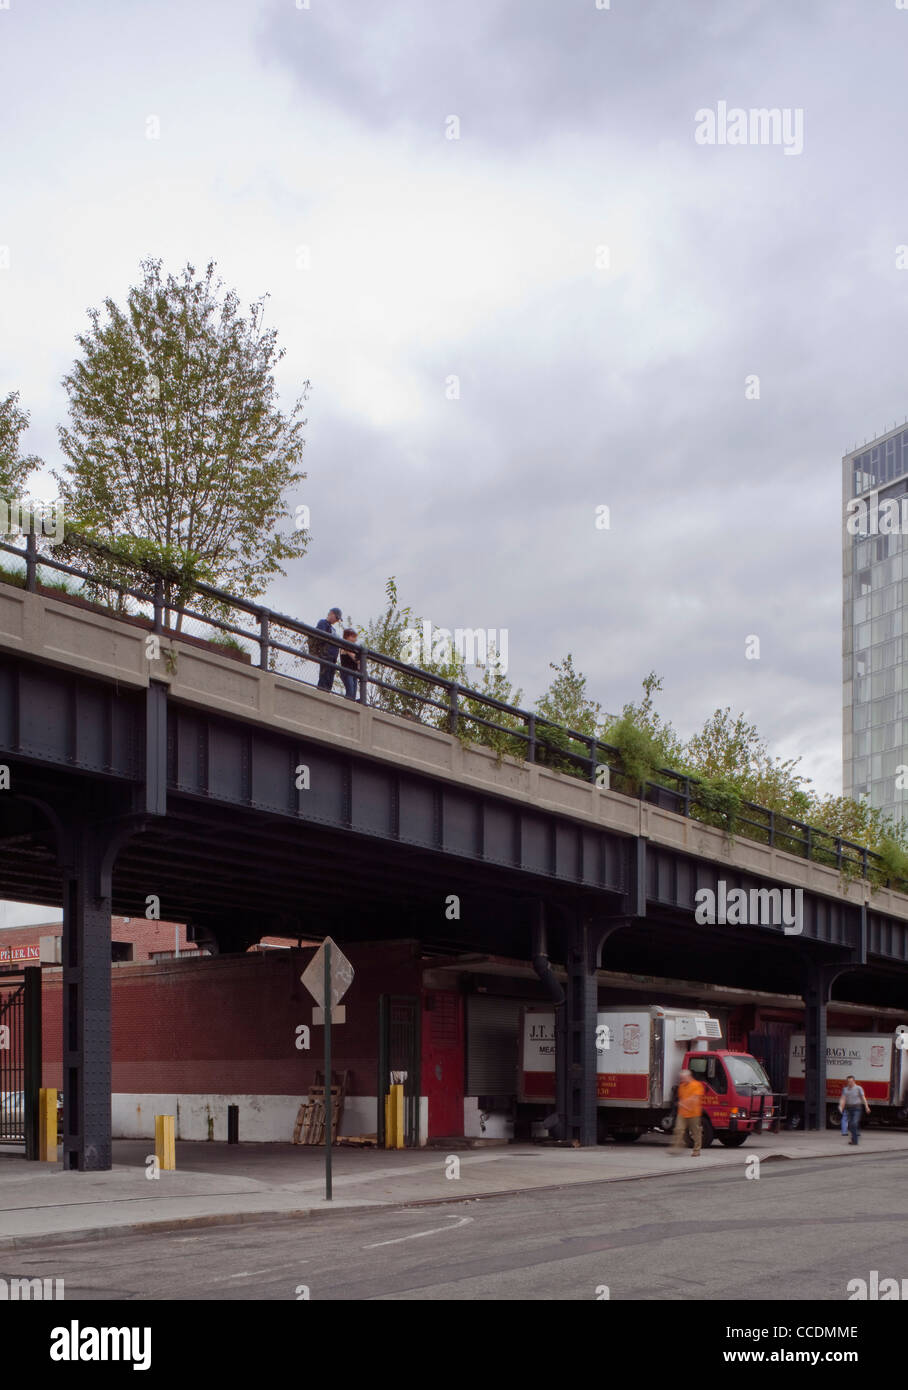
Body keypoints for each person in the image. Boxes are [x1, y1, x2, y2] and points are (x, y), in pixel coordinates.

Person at [669, 1067, 706, 1157]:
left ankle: (696, 1150)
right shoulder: (681, 1086)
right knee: (678, 1129)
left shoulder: (697, 1085)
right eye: (681, 1078)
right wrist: (681, 1104)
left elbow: (695, 1099)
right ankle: (675, 1147)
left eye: (683, 1078)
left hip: (694, 1113)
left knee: (695, 1132)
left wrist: (683, 1103)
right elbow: (681, 1098)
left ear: (689, 1076)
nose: (681, 1079)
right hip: (682, 1113)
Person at [312, 607, 343, 691]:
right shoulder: (323, 623)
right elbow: (321, 637)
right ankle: (321, 692)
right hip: (326, 654)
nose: (336, 621)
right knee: (324, 677)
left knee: (329, 678)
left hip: (333, 657)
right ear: (331, 614)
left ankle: (326, 692)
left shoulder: (333, 629)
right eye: (336, 618)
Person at [839, 1074, 870, 1146]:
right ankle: (854, 1140)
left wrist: (867, 1107)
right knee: (850, 1125)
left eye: (851, 1081)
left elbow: (863, 1098)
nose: (849, 1083)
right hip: (849, 1108)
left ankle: (855, 1140)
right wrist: (841, 1106)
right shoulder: (845, 1089)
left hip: (857, 1108)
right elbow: (843, 1098)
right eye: (848, 1082)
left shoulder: (859, 1088)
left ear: (854, 1081)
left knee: (854, 1123)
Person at [338, 627, 360, 700]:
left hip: (354, 672)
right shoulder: (345, 646)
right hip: (347, 671)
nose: (355, 639)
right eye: (353, 637)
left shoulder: (353, 648)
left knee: (353, 693)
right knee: (350, 691)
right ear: (347, 637)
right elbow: (355, 658)